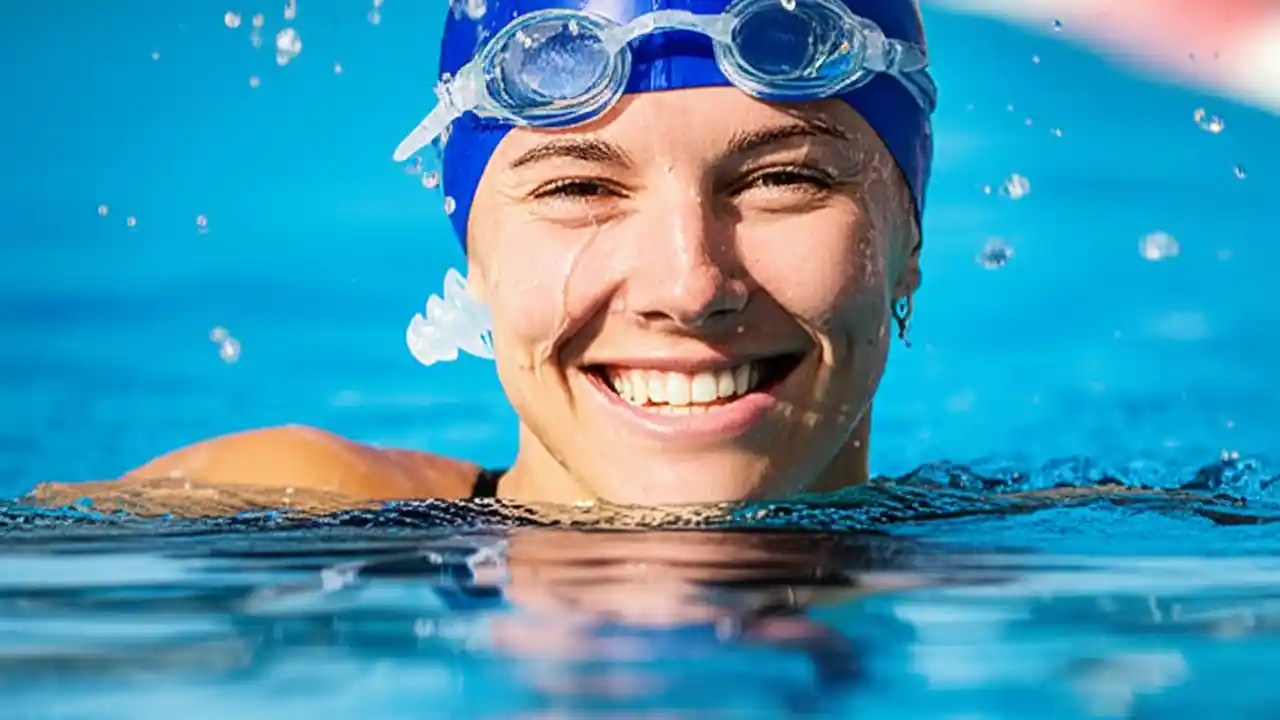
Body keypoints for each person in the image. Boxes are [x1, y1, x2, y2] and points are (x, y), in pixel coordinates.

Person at [38, 0, 935, 509]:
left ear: (906, 246)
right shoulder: (274, 514)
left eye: (781, 180)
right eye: (580, 189)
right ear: (477, 259)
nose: (689, 287)